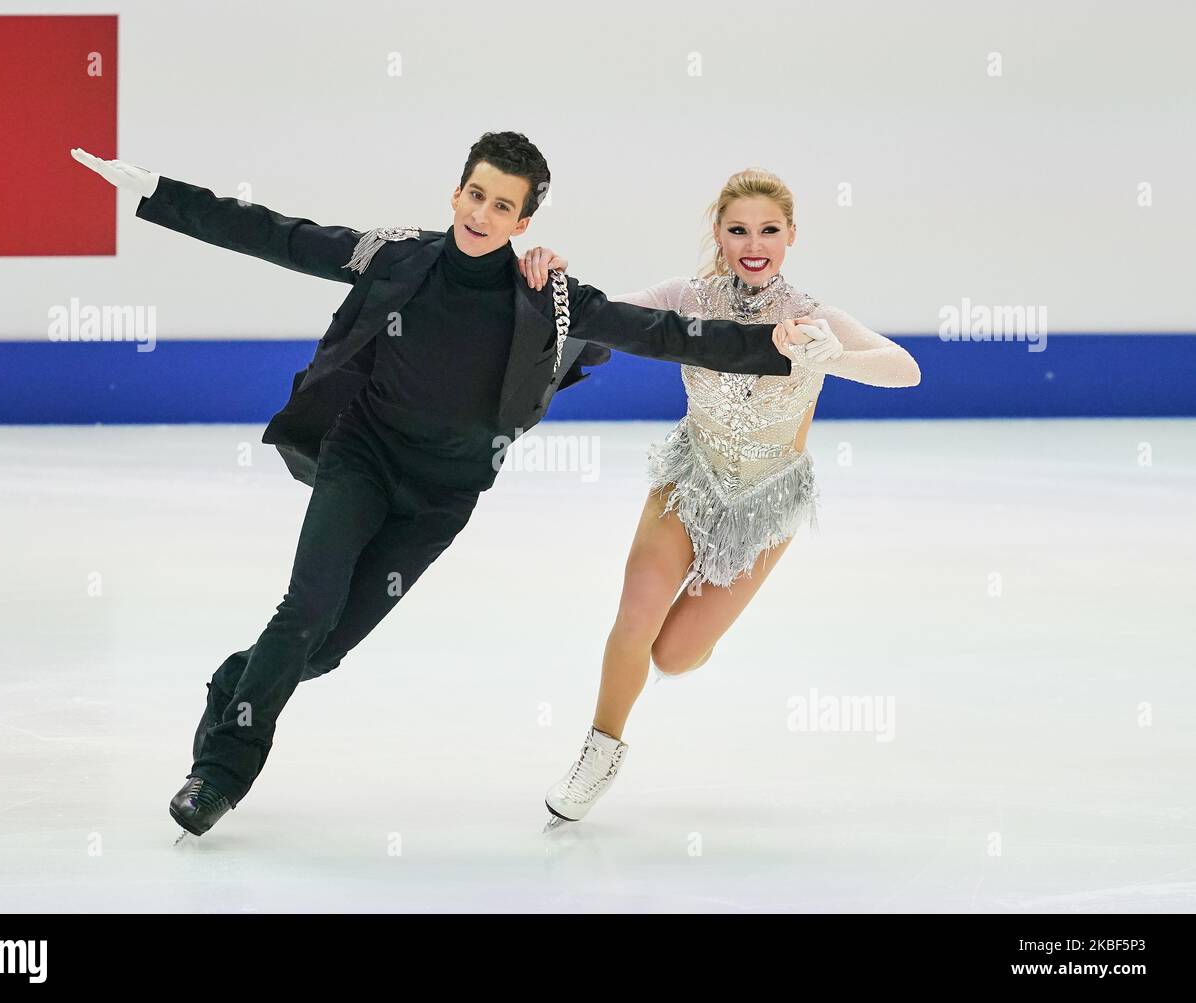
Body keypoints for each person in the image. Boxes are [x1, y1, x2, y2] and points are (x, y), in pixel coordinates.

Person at [71, 135, 811, 837]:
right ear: (456, 191)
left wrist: (776, 348)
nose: (481, 215)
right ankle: (218, 778)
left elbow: (663, 335)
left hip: (442, 495)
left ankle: (235, 684)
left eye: (501, 206)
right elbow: (280, 235)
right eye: (475, 194)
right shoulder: (396, 256)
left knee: (323, 649)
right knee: (305, 610)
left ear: (524, 220)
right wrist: (158, 195)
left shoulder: (546, 297)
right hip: (360, 456)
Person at [516, 168, 922, 825]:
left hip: (766, 506)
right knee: (635, 614)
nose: (753, 242)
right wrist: (552, 275)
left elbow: (906, 370)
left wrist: (829, 356)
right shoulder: (689, 298)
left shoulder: (814, 318)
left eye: (768, 230)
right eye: (738, 230)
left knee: (673, 654)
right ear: (719, 234)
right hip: (689, 482)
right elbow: (595, 316)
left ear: (791, 235)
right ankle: (600, 748)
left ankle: (694, 631)